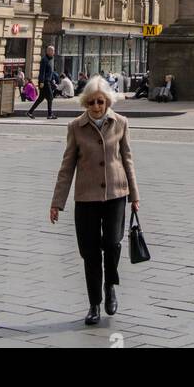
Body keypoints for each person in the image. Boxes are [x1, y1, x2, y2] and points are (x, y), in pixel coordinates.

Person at [50, 75, 140, 326]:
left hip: (115, 194)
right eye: (91, 102)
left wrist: (135, 195)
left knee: (112, 244)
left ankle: (110, 283)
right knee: (89, 253)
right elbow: (67, 167)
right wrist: (57, 202)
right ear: (85, 103)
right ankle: (94, 304)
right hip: (86, 197)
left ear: (108, 102)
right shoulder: (75, 127)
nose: (97, 107)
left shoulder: (120, 123)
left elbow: (127, 160)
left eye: (101, 102)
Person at [28, 45, 58, 120]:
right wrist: (41, 82)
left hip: (48, 81)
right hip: (44, 82)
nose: (54, 52)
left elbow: (51, 72)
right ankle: (50, 114)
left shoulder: (50, 60)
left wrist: (53, 79)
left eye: (54, 51)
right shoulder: (44, 60)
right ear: (48, 51)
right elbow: (42, 71)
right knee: (50, 97)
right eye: (53, 51)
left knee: (41, 98)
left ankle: (30, 112)